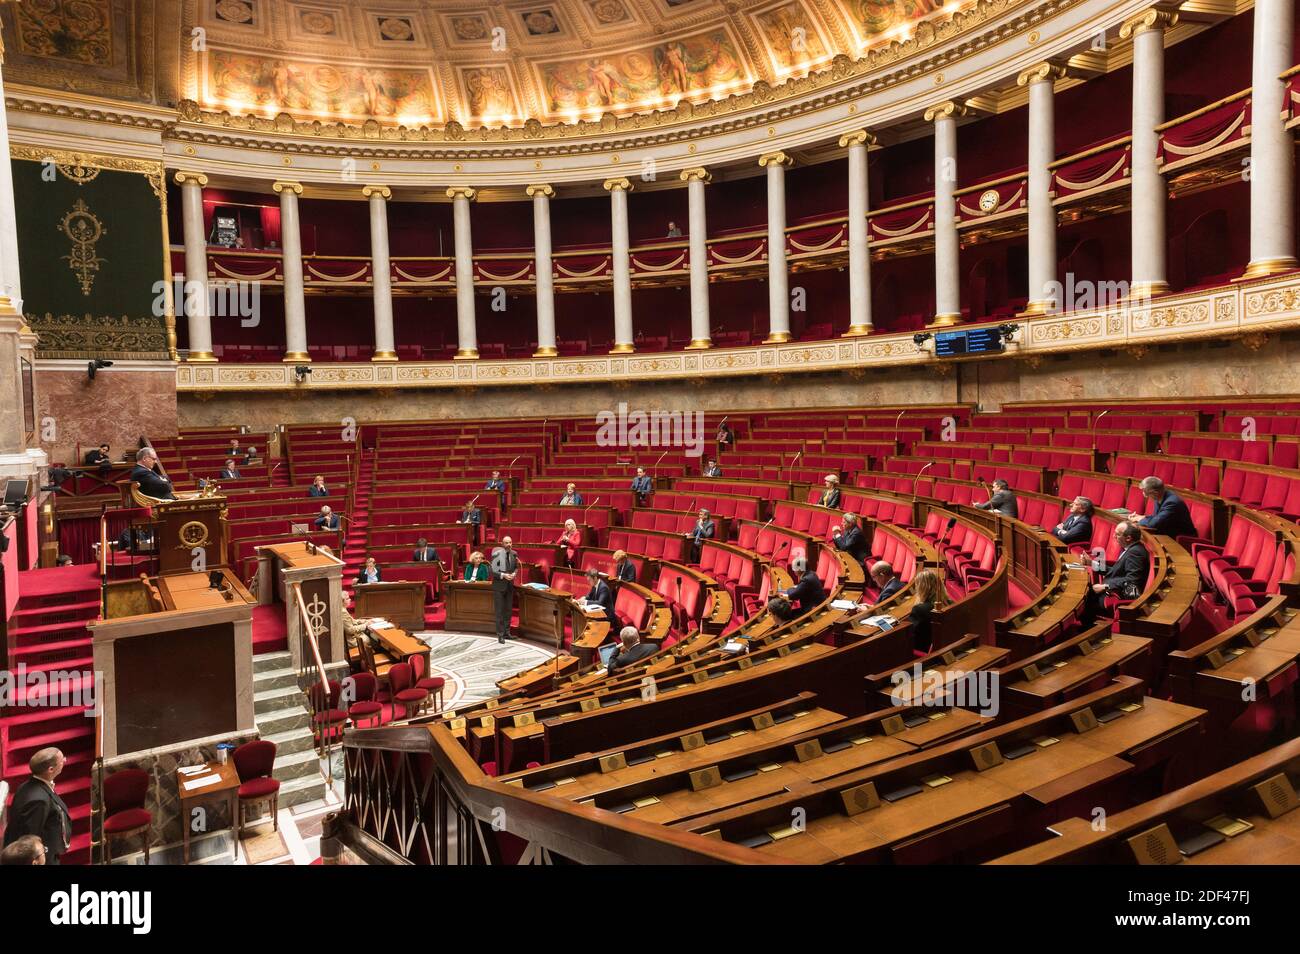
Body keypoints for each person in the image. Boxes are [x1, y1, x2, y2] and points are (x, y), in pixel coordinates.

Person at [2, 748, 71, 864]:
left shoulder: (27, 785)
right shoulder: (38, 801)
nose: (65, 760)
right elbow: (30, 839)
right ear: (51, 769)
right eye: (62, 760)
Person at [1084, 522, 1149, 625]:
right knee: (1084, 591)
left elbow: (1132, 581)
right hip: (1113, 590)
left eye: (1117, 534)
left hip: (1117, 595)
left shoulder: (1135, 553)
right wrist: (1091, 563)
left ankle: (1086, 630)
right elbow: (1115, 571)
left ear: (1128, 538)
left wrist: (1105, 586)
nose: (1114, 536)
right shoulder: (1131, 549)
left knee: (1083, 596)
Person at [1130, 476, 1197, 538]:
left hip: (1182, 539)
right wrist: (1143, 517)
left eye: (1146, 493)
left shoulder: (1171, 502)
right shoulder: (1160, 496)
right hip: (1168, 533)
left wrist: (1140, 519)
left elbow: (1153, 524)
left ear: (1155, 492)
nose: (1145, 496)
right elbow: (1158, 518)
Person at [906, 569, 947, 654]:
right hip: (944, 650)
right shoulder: (951, 603)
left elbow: (911, 636)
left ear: (922, 588)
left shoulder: (919, 610)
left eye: (917, 585)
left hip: (920, 656)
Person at [490, 537, 519, 644]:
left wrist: (514, 574)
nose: (509, 544)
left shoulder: (514, 554)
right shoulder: (497, 555)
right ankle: (500, 635)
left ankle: (507, 633)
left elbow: (516, 567)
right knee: (500, 612)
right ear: (502, 544)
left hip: (510, 586)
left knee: (508, 611)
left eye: (510, 542)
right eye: (506, 543)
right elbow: (492, 571)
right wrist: (503, 575)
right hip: (499, 587)